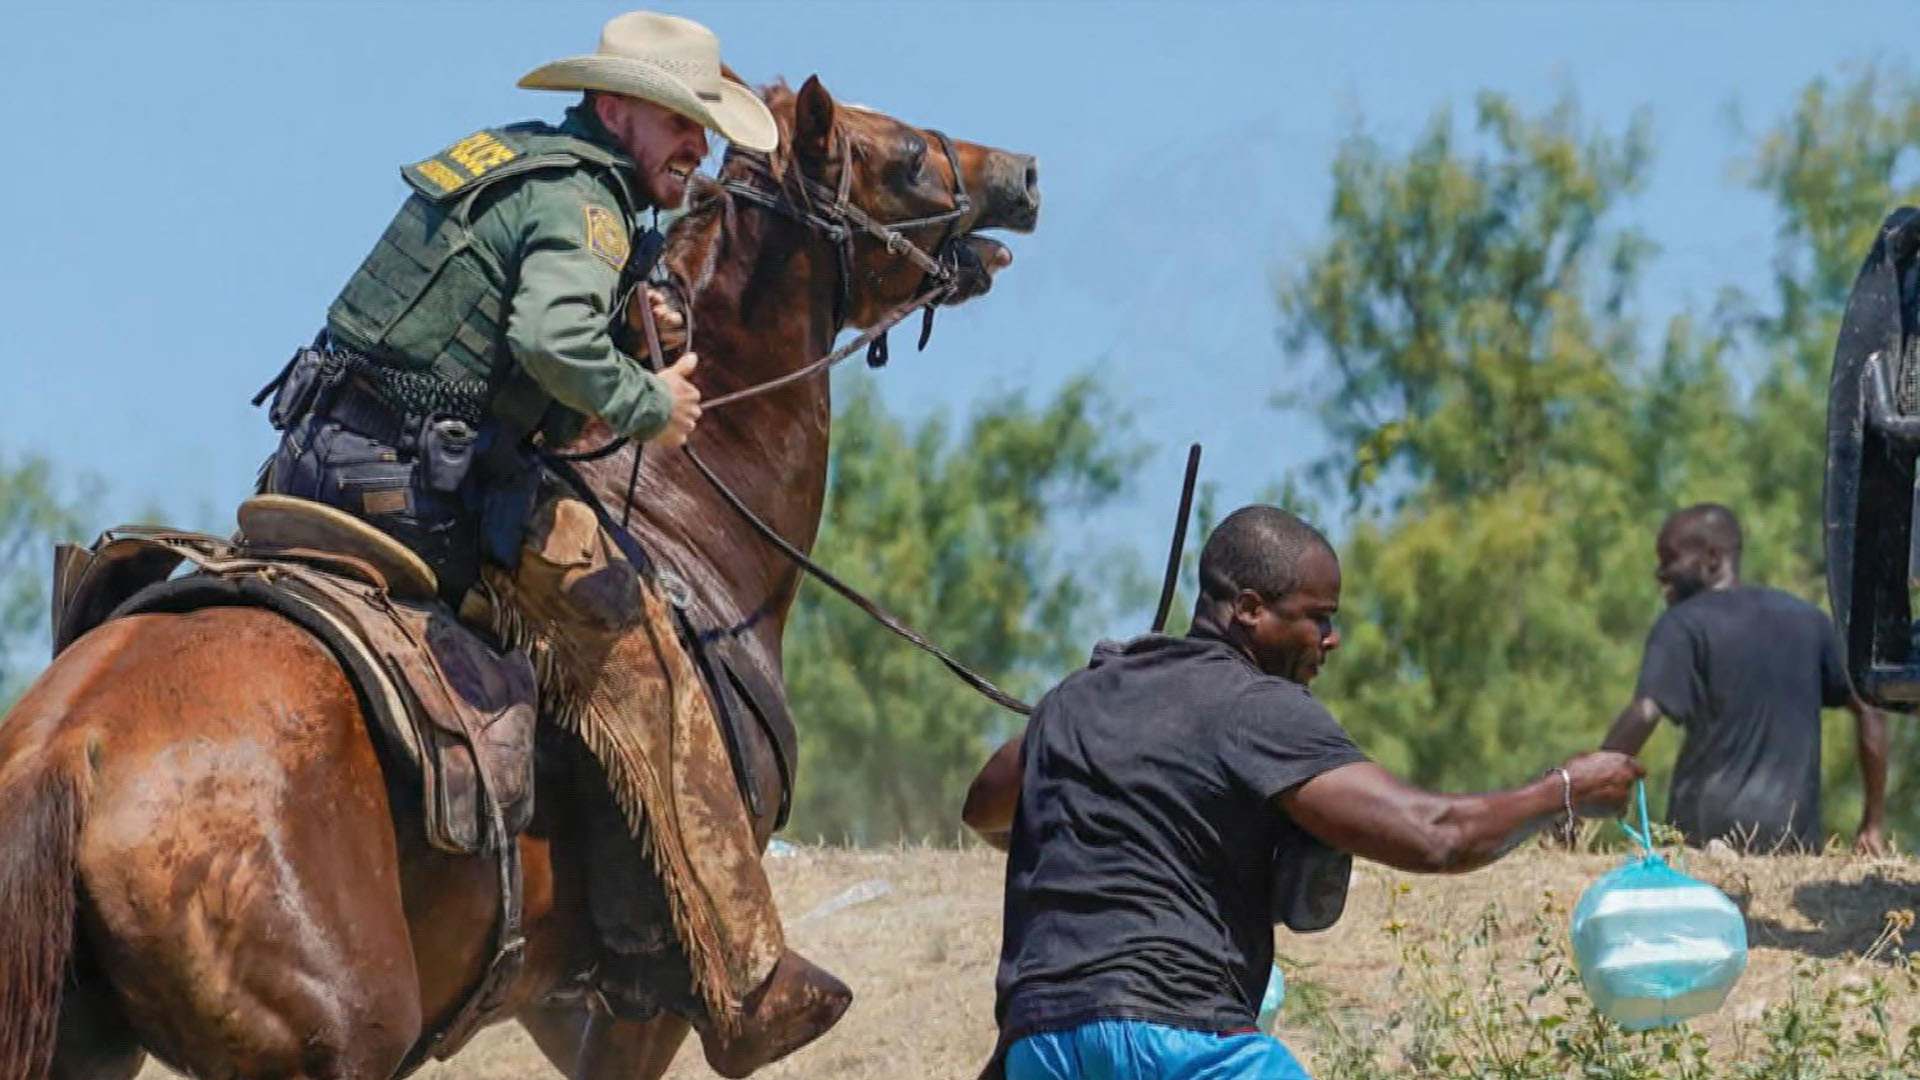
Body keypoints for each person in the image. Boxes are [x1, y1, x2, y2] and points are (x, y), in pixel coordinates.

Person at [257, 12, 846, 1075]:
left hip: (314, 464)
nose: (698, 149)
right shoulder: (591, 206)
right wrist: (647, 400)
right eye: (680, 124)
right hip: (430, 493)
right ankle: (742, 975)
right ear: (615, 109)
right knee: (649, 657)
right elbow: (546, 337)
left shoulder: (516, 163)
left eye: (705, 132)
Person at [963, 505, 1643, 1080]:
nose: (1330, 638)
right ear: (1251, 611)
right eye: (1317, 618)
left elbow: (986, 805)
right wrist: (1565, 789)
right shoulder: (1258, 708)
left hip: (1041, 1049)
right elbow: (1436, 836)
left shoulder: (1079, 698)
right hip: (1180, 1038)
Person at [1599, 503, 1888, 855]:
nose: (1661, 573)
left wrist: (1579, 790)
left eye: (1670, 558)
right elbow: (1871, 708)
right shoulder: (1809, 621)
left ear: (1712, 557)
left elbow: (1645, 713)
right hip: (1794, 846)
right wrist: (1873, 822)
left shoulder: (1683, 623)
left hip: (1703, 839)